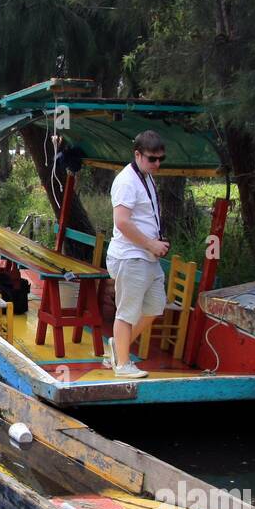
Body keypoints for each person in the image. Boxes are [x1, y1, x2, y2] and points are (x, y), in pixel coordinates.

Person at [105, 130, 169, 378]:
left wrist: (156, 242)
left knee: (155, 307)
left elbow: (144, 217)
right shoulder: (126, 181)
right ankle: (122, 365)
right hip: (131, 256)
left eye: (160, 159)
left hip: (148, 257)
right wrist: (151, 244)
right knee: (127, 312)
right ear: (138, 155)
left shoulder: (146, 177)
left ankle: (117, 345)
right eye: (152, 158)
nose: (157, 163)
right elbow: (122, 222)